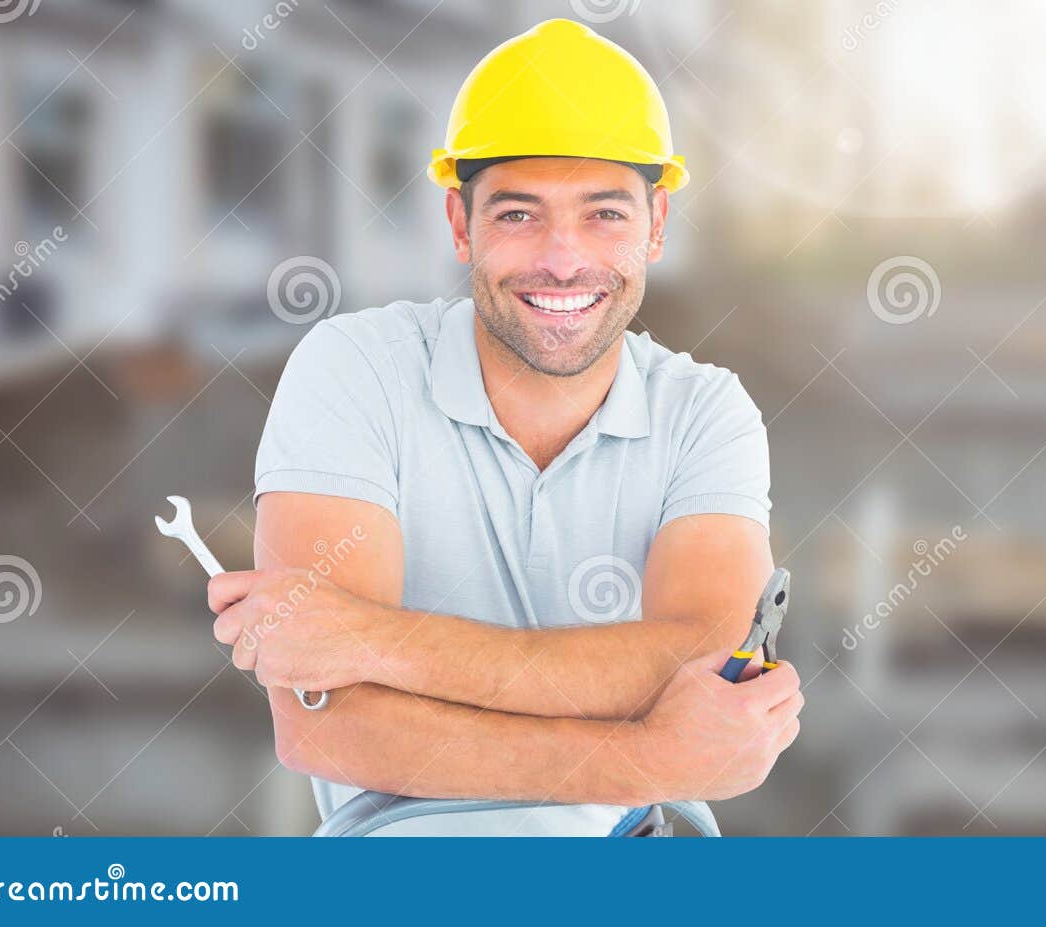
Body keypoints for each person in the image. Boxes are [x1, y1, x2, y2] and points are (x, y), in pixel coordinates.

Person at [206, 18, 802, 836]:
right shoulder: (355, 369)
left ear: (657, 224)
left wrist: (375, 641)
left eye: (604, 215)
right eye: (520, 215)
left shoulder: (706, 414)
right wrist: (657, 756)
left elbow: (703, 661)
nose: (563, 259)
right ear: (460, 223)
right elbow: (327, 723)